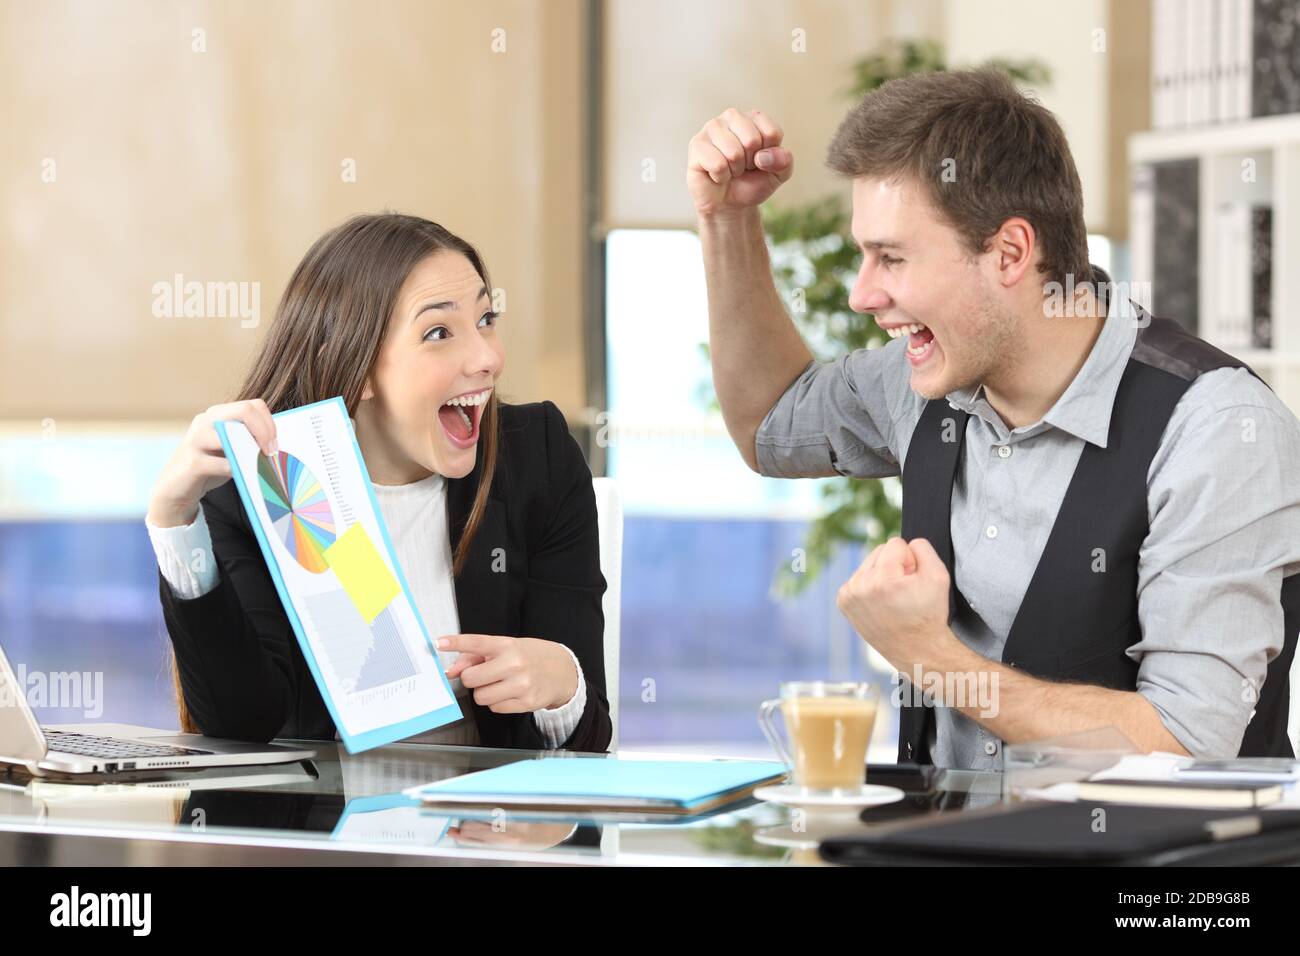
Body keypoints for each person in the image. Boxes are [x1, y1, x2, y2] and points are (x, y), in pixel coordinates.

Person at [688, 69, 1300, 767]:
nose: (862, 295)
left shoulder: (1215, 428)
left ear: (1010, 252)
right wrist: (727, 219)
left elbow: (1188, 742)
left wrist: (931, 656)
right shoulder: (920, 381)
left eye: (891, 257)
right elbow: (769, 423)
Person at [145, 213, 611, 752]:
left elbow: (590, 742)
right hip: (326, 832)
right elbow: (242, 727)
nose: (488, 358)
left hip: (489, 827)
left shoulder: (539, 459)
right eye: (438, 332)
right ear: (359, 366)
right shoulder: (265, 486)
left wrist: (562, 684)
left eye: (487, 318)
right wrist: (173, 521)